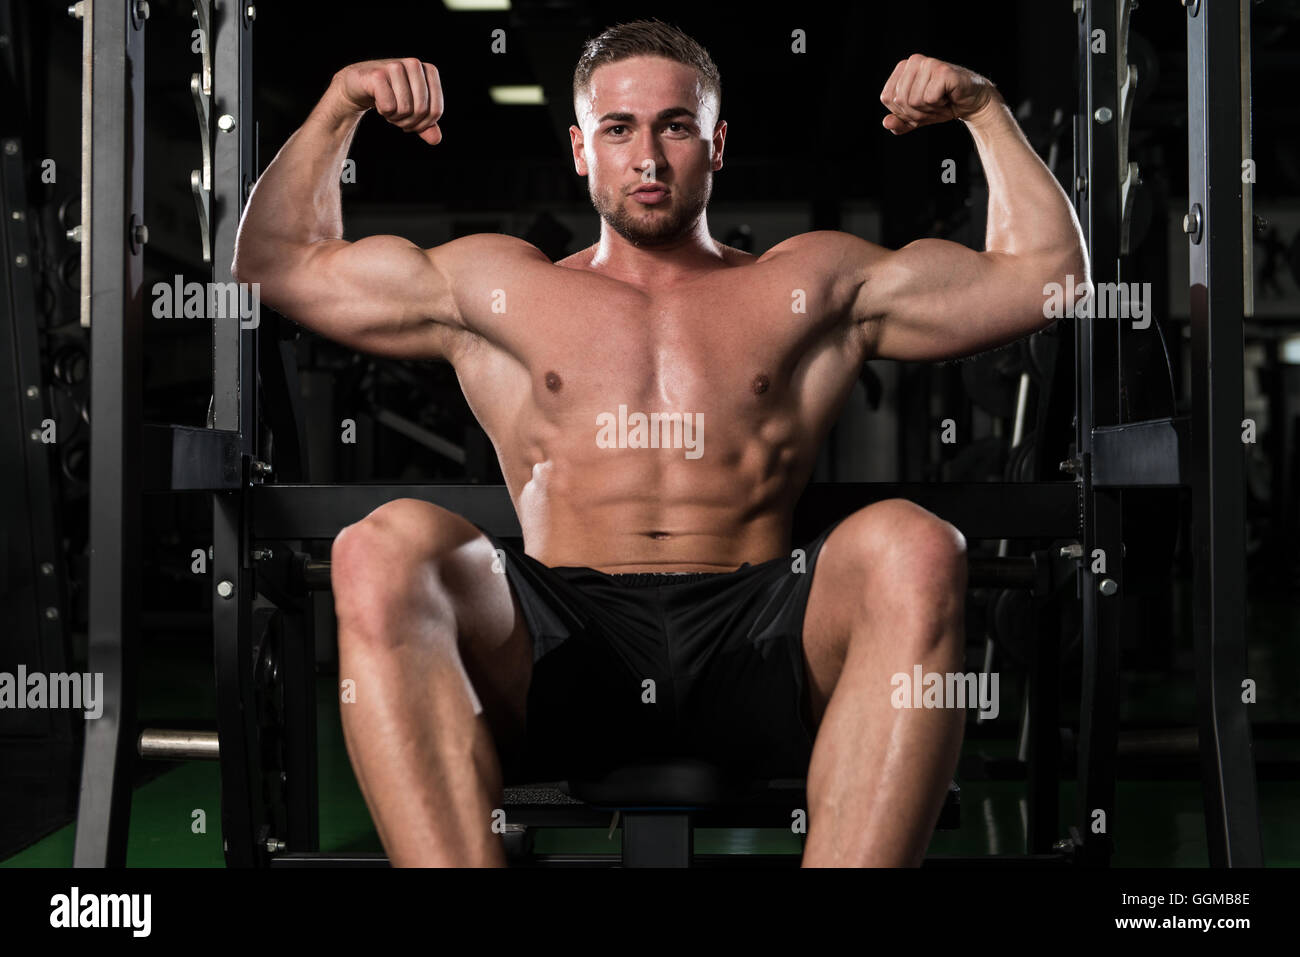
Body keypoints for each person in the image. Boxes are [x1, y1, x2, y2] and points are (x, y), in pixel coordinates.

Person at [232, 19, 1088, 866]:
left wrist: (982, 110)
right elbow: (276, 260)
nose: (648, 156)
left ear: (717, 145)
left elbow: (1045, 280)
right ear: (580, 148)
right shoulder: (497, 288)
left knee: (919, 544)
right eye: (619, 128)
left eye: (676, 126)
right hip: (560, 644)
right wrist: (341, 104)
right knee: (377, 548)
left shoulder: (806, 283)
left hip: (758, 636)